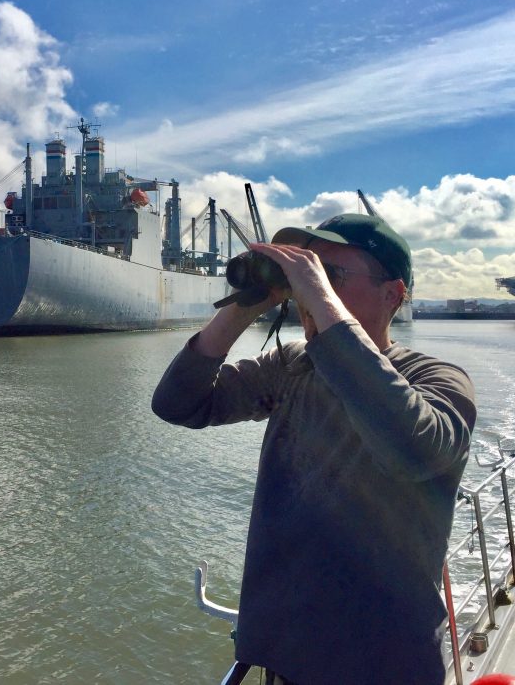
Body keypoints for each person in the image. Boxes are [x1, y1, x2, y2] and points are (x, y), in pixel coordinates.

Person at [152, 214, 475, 685]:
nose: (310, 289)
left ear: (393, 294)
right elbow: (179, 404)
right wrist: (245, 306)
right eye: (309, 273)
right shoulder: (292, 367)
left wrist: (319, 298)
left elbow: (414, 450)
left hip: (384, 663)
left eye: (332, 275)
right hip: (286, 656)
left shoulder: (438, 381)